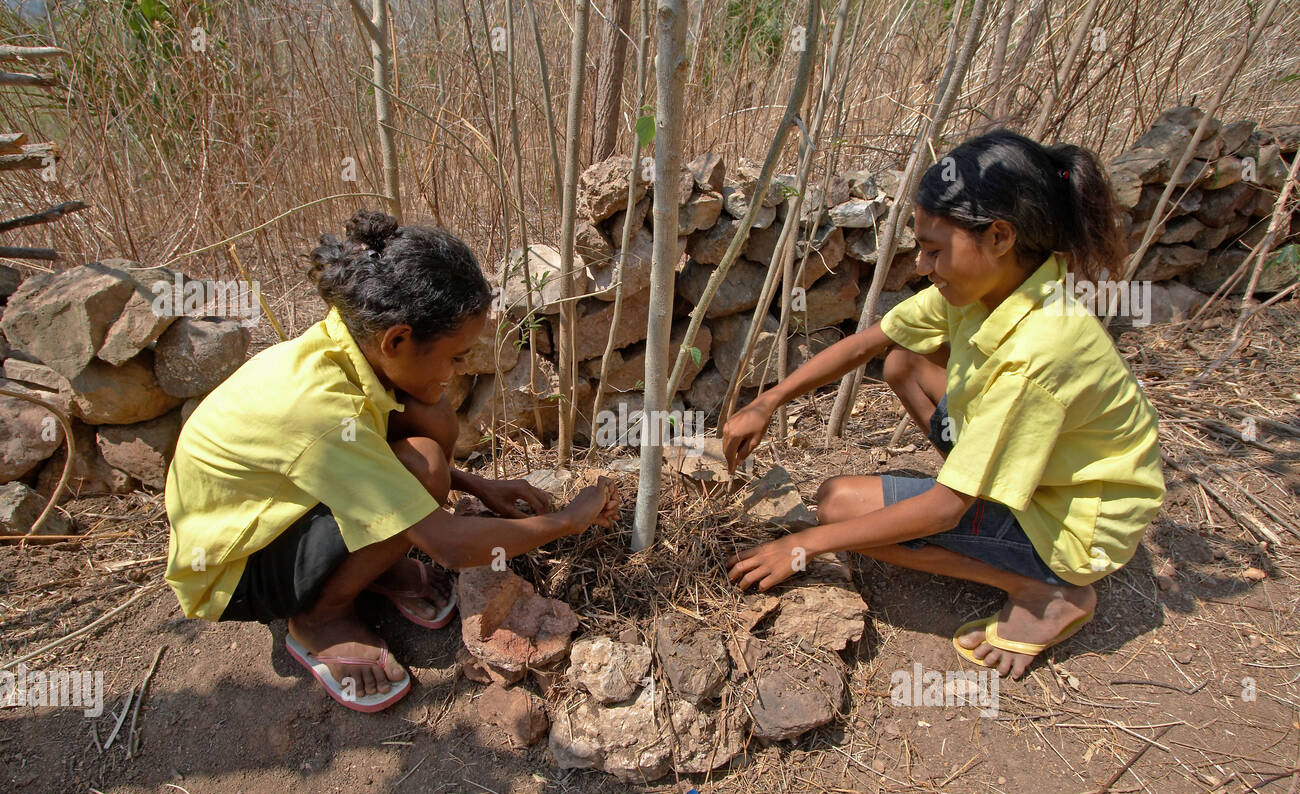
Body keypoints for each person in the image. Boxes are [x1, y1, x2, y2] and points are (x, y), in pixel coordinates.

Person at [722, 130, 1164, 678]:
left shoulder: (1038, 352)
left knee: (835, 505)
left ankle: (1041, 591)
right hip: (1061, 473)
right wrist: (769, 400)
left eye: (934, 249)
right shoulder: (995, 285)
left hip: (1073, 520)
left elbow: (944, 509)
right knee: (904, 360)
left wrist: (806, 544)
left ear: (1000, 236)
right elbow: (872, 344)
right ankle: (976, 485)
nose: (924, 265)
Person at [165, 210, 618, 711]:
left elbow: (366, 457)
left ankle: (369, 567)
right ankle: (317, 619)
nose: (459, 369)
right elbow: (447, 546)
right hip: (236, 567)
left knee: (430, 423)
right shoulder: (320, 406)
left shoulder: (349, 346)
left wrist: (475, 486)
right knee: (422, 467)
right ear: (397, 339)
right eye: (454, 355)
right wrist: (564, 520)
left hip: (285, 506)